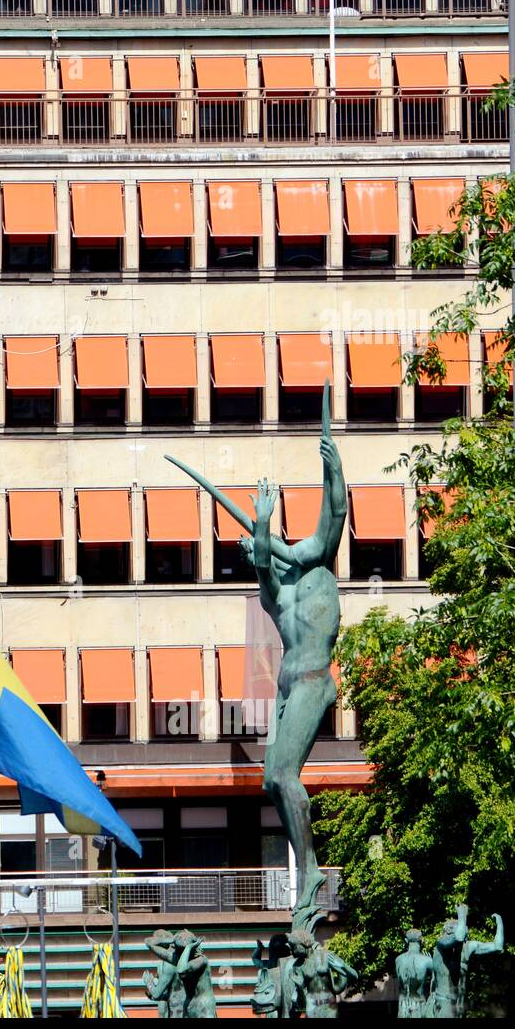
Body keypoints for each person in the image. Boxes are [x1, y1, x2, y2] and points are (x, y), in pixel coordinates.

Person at [167, 386, 346, 926]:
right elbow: (268, 569)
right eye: (248, 552)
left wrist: (332, 469)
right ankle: (307, 870)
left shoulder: (317, 567)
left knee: (285, 775)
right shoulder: (274, 591)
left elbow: (334, 514)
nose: (253, 555)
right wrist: (263, 527)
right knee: (271, 779)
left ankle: (309, 870)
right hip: (290, 688)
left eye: (254, 546)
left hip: (314, 679)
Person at [429, 905, 504, 1019]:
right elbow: (459, 937)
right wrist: (462, 915)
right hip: (444, 1006)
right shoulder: (442, 943)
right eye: (461, 926)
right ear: (448, 930)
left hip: (460, 1005)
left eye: (465, 927)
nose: (465, 929)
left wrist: (499, 924)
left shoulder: (467, 947)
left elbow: (497, 946)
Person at [394, 929, 434, 1019]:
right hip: (419, 1007)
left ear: (406, 941)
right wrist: (432, 961)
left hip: (402, 1007)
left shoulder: (398, 960)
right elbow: (436, 983)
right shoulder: (427, 961)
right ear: (422, 940)